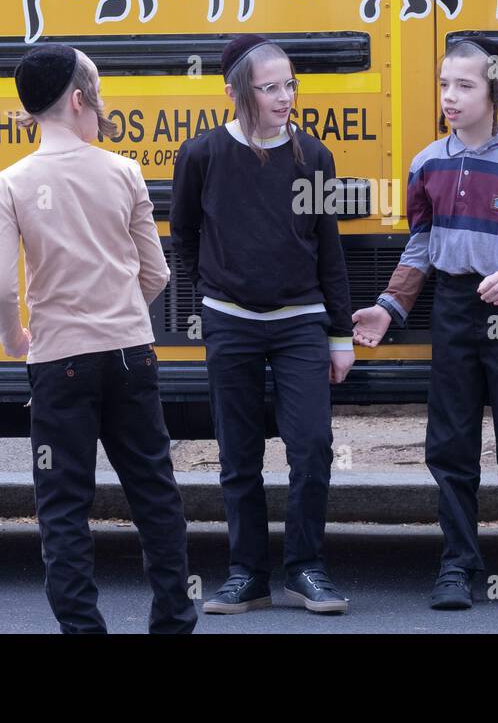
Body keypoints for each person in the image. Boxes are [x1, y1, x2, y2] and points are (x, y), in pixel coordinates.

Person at [0, 44, 196, 634]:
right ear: (79, 101)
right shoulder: (123, 170)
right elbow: (157, 273)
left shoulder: (9, 184)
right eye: (96, 94)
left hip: (58, 363)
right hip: (131, 355)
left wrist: (14, 341)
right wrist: (122, 313)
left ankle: (83, 628)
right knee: (155, 492)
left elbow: (1, 289)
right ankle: (174, 619)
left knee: (64, 507)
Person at [352, 36, 498, 610]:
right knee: (449, 444)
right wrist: (389, 306)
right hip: (451, 307)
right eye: (445, 84)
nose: (450, 96)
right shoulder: (427, 164)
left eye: (464, 85)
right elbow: (421, 245)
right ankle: (456, 565)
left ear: (496, 92)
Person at [170, 34, 355, 615]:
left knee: (313, 446)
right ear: (234, 92)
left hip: (301, 322)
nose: (284, 96)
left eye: (290, 84)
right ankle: (247, 573)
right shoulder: (201, 156)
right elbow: (184, 238)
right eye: (270, 86)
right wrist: (211, 297)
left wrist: (340, 335)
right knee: (238, 454)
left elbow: (328, 248)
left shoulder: (313, 156)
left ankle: (306, 569)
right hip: (230, 323)